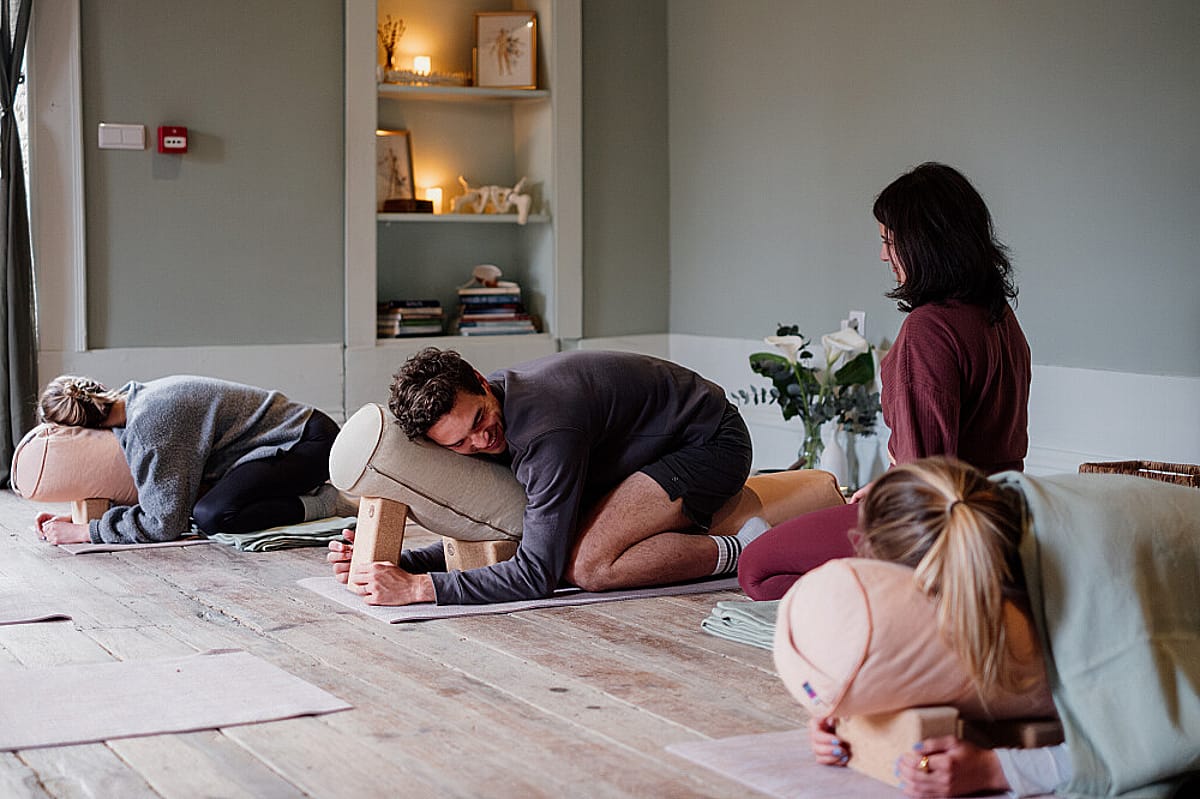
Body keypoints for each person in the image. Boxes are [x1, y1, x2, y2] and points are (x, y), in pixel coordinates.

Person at [808, 457, 1200, 798]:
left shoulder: (1092, 585)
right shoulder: (972, 516)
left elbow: (1156, 743)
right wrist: (855, 716)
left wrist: (997, 770)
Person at [739, 162, 1031, 600]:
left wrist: (893, 495)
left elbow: (928, 486)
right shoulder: (1000, 318)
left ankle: (892, 599)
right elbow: (948, 456)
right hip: (1003, 512)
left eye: (889, 241)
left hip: (940, 528)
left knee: (756, 567)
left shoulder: (929, 328)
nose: (883, 255)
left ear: (926, 245)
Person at [328, 348, 760, 606]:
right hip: (633, 454)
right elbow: (513, 530)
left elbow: (537, 574)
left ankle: (747, 548)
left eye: (479, 418)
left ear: (481, 381)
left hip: (707, 441)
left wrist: (419, 588)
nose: (480, 441)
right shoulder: (488, 429)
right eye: (459, 443)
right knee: (564, 544)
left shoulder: (544, 431)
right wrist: (393, 563)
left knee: (587, 566)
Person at [33, 374, 341, 545]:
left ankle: (325, 504)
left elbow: (164, 524)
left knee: (212, 516)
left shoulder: (150, 426)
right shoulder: (134, 402)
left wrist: (86, 533)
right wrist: (82, 519)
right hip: (282, 443)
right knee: (205, 509)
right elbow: (158, 495)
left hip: (307, 442)